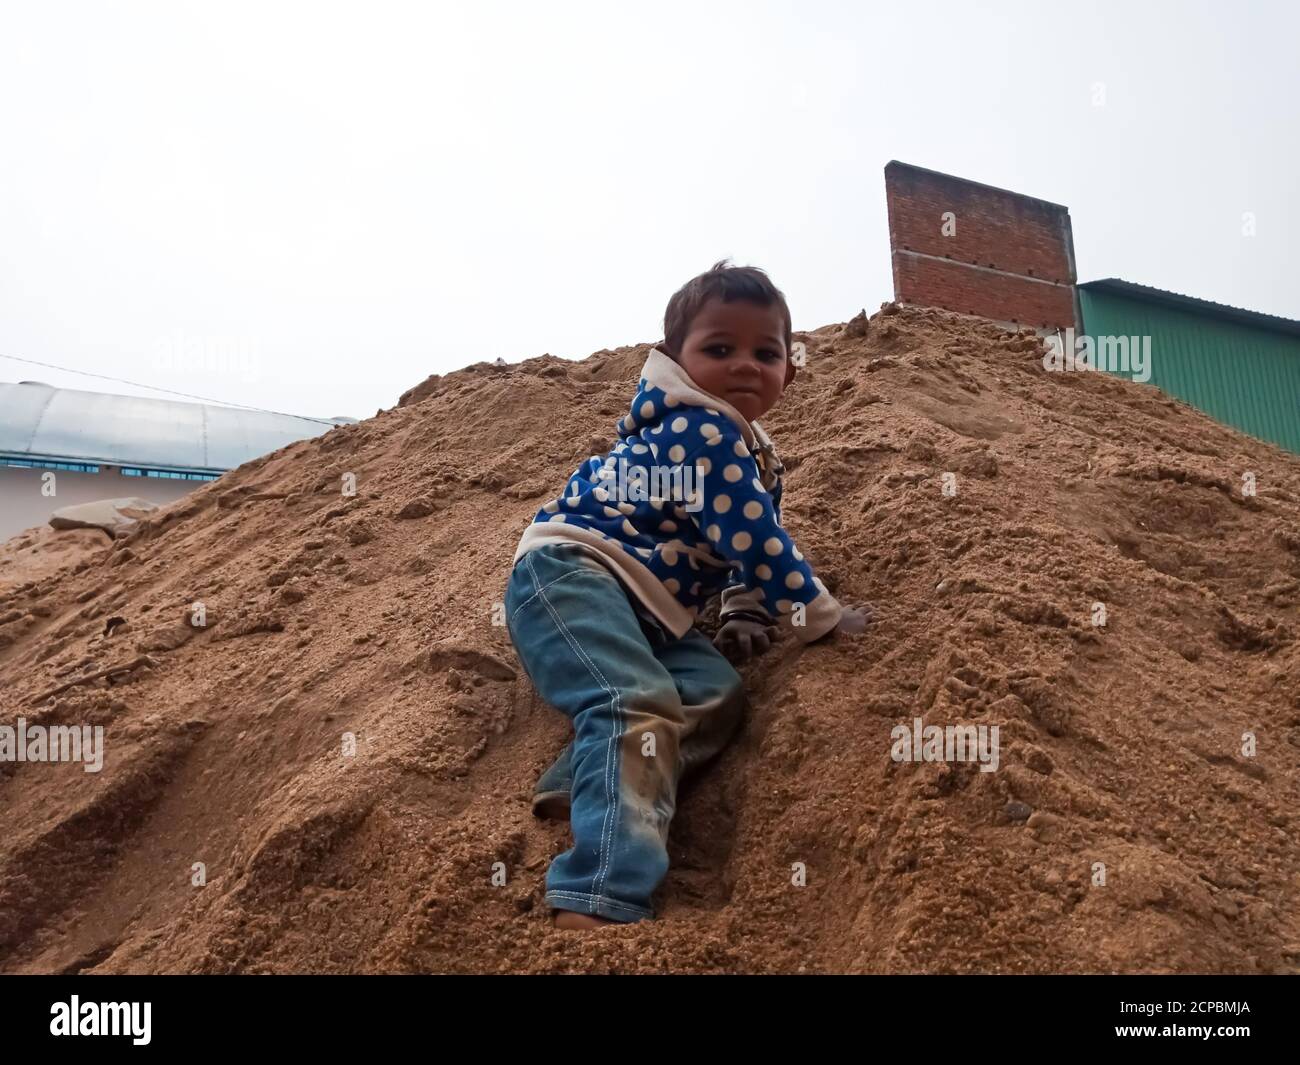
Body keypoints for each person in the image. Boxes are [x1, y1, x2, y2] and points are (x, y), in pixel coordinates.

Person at [503, 259, 870, 929]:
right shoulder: (697, 433)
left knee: (718, 691)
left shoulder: (751, 453)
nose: (745, 366)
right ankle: (598, 890)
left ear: (790, 368)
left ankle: (586, 777)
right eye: (719, 348)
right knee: (634, 700)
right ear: (674, 358)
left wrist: (744, 610)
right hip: (569, 574)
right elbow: (761, 543)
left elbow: (739, 545)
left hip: (648, 610)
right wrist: (820, 616)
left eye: (767, 352)